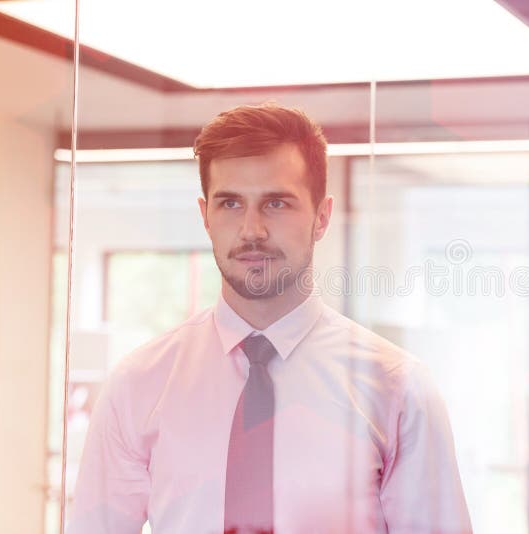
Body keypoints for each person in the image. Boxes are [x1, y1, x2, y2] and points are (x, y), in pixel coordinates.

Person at [67, 103, 472, 534]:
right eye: (230, 203)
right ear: (205, 217)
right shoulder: (139, 384)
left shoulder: (397, 389)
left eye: (276, 203)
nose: (251, 230)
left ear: (321, 217)